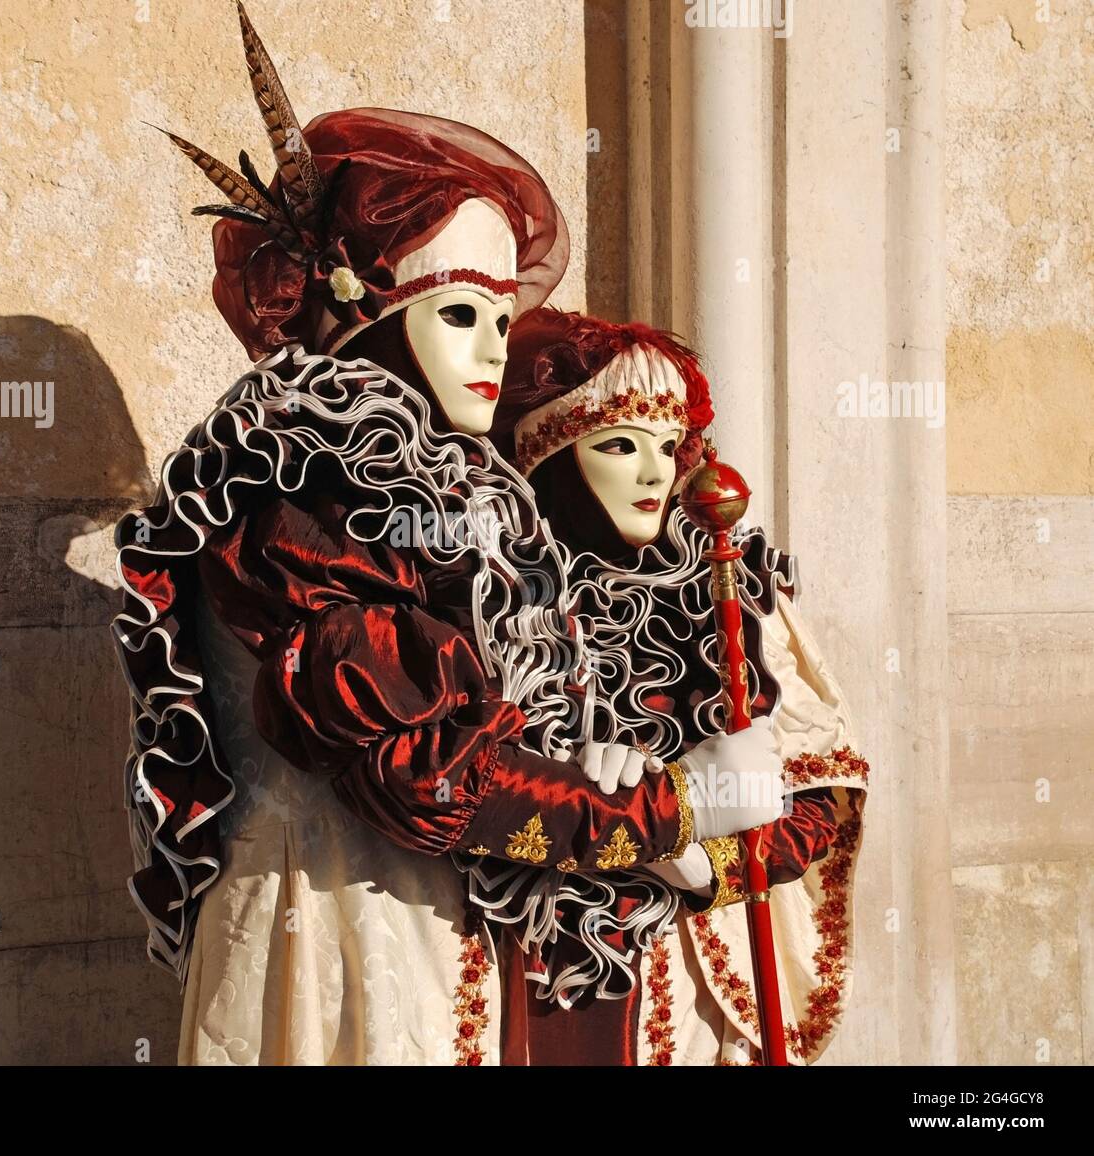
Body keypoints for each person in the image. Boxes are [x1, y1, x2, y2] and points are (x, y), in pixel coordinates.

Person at [113, 5, 774, 1064]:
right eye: (460, 314)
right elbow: (431, 774)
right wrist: (672, 811)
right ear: (364, 312)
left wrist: (607, 773)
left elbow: (484, 743)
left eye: (502, 320)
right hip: (340, 936)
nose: (492, 352)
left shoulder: (435, 491)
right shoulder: (303, 490)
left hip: (430, 929)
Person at [488, 308, 871, 1064]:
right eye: (620, 446)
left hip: (682, 977)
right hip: (522, 970)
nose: (654, 472)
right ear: (549, 458)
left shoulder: (728, 595)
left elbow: (822, 790)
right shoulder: (493, 602)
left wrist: (699, 863)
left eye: (667, 446)